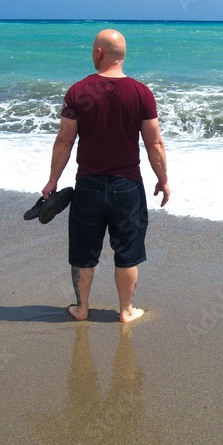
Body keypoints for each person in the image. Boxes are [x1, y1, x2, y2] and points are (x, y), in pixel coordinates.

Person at [42, 29, 169, 323]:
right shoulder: (141, 93)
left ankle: (81, 308)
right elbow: (154, 143)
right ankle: (126, 311)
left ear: (98, 53)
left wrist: (52, 181)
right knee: (127, 250)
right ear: (122, 56)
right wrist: (162, 180)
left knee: (84, 249)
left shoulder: (78, 91)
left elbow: (64, 140)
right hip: (127, 187)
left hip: (89, 186)